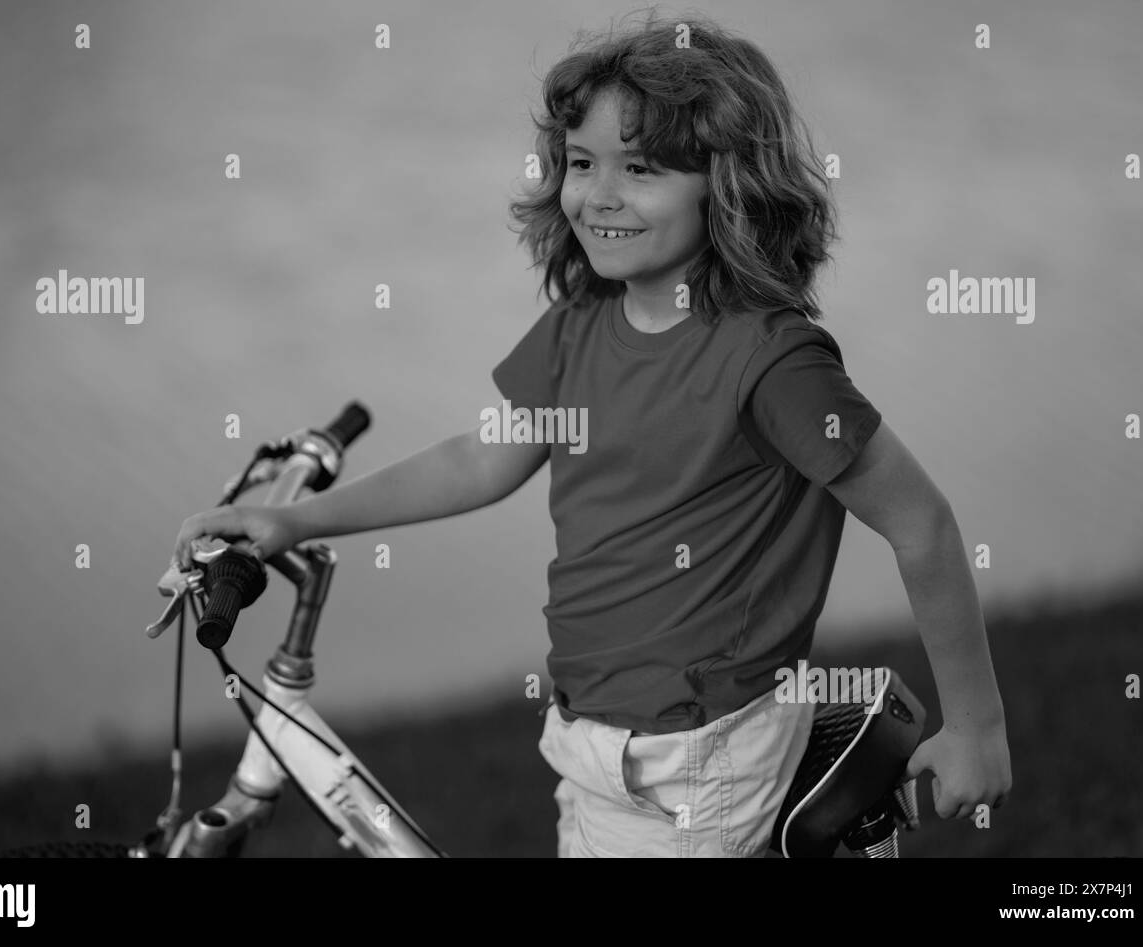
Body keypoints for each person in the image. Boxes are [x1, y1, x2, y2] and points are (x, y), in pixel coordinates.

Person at [172, 11, 1011, 858]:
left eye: (639, 168)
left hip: (697, 757)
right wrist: (294, 522)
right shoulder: (580, 326)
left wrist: (975, 727)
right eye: (581, 163)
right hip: (591, 739)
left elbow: (921, 523)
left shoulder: (770, 360)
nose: (599, 195)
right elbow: (481, 458)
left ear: (727, 184)